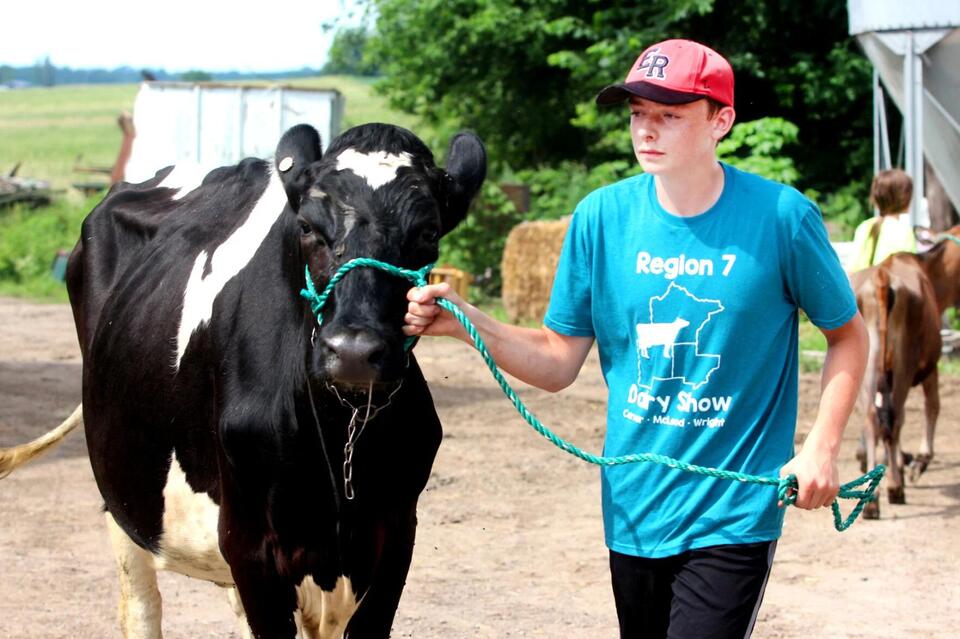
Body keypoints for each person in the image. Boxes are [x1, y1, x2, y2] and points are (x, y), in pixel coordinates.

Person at [405, 39, 868, 638]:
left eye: (669, 115)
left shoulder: (782, 217)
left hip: (732, 512)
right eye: (637, 113)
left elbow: (848, 336)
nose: (647, 130)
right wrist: (470, 323)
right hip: (633, 506)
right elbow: (557, 361)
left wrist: (821, 447)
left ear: (721, 120)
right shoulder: (600, 218)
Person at [846, 169, 916, 272]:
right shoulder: (904, 232)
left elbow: (853, 269)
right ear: (905, 199)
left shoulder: (864, 226)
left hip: (862, 281)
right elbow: (908, 273)